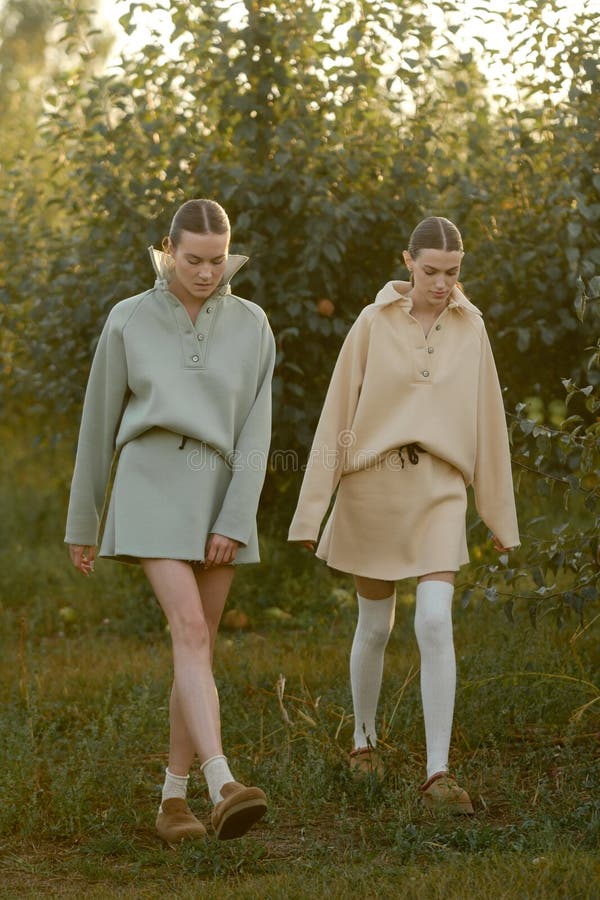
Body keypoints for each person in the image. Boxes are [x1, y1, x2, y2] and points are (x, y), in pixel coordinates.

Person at [289, 216, 519, 814]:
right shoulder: (372, 322)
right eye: (431, 271)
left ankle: (438, 772)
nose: (442, 284)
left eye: (453, 272)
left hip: (440, 487)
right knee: (375, 625)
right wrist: (311, 512)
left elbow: (488, 422)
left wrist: (499, 514)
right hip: (373, 487)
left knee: (435, 621)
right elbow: (337, 412)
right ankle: (364, 743)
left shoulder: (473, 328)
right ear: (408, 262)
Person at [66, 198, 276, 843]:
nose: (207, 273)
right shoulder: (128, 318)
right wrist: (84, 521)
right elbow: (98, 422)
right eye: (193, 260)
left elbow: (257, 432)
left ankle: (173, 801)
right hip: (149, 481)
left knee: (199, 646)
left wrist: (235, 518)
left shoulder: (252, 324)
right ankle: (223, 782)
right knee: (187, 628)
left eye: (217, 260)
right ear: (168, 249)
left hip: (217, 492)